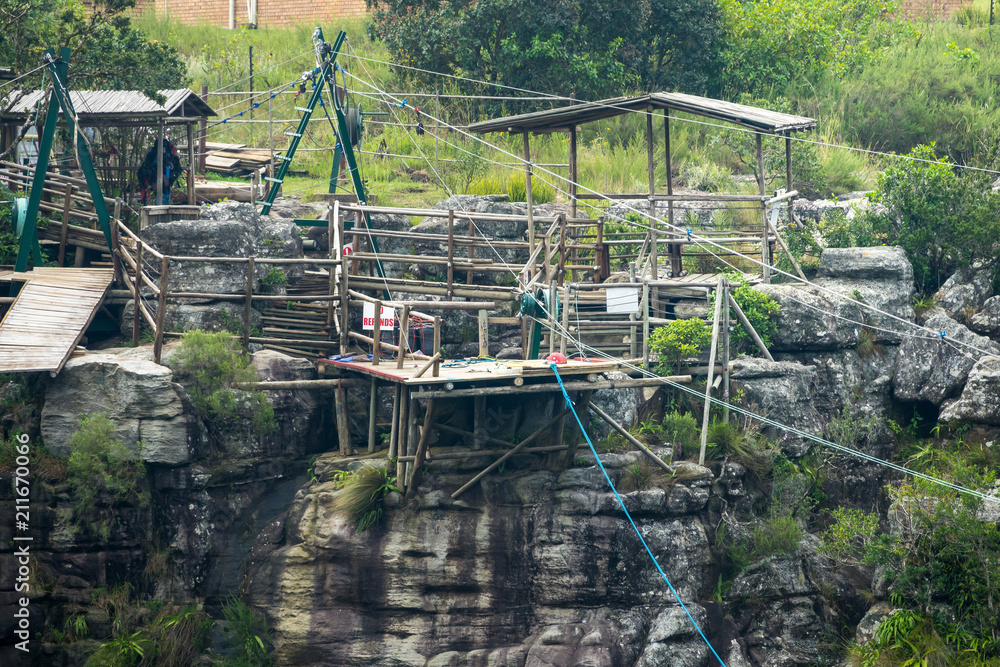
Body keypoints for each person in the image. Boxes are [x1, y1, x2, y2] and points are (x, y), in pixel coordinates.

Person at [138, 138, 183, 205]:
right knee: (159, 191)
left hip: (165, 175)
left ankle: (164, 201)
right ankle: (159, 201)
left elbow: (176, 168)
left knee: (165, 190)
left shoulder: (169, 156)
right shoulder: (152, 155)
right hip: (155, 175)